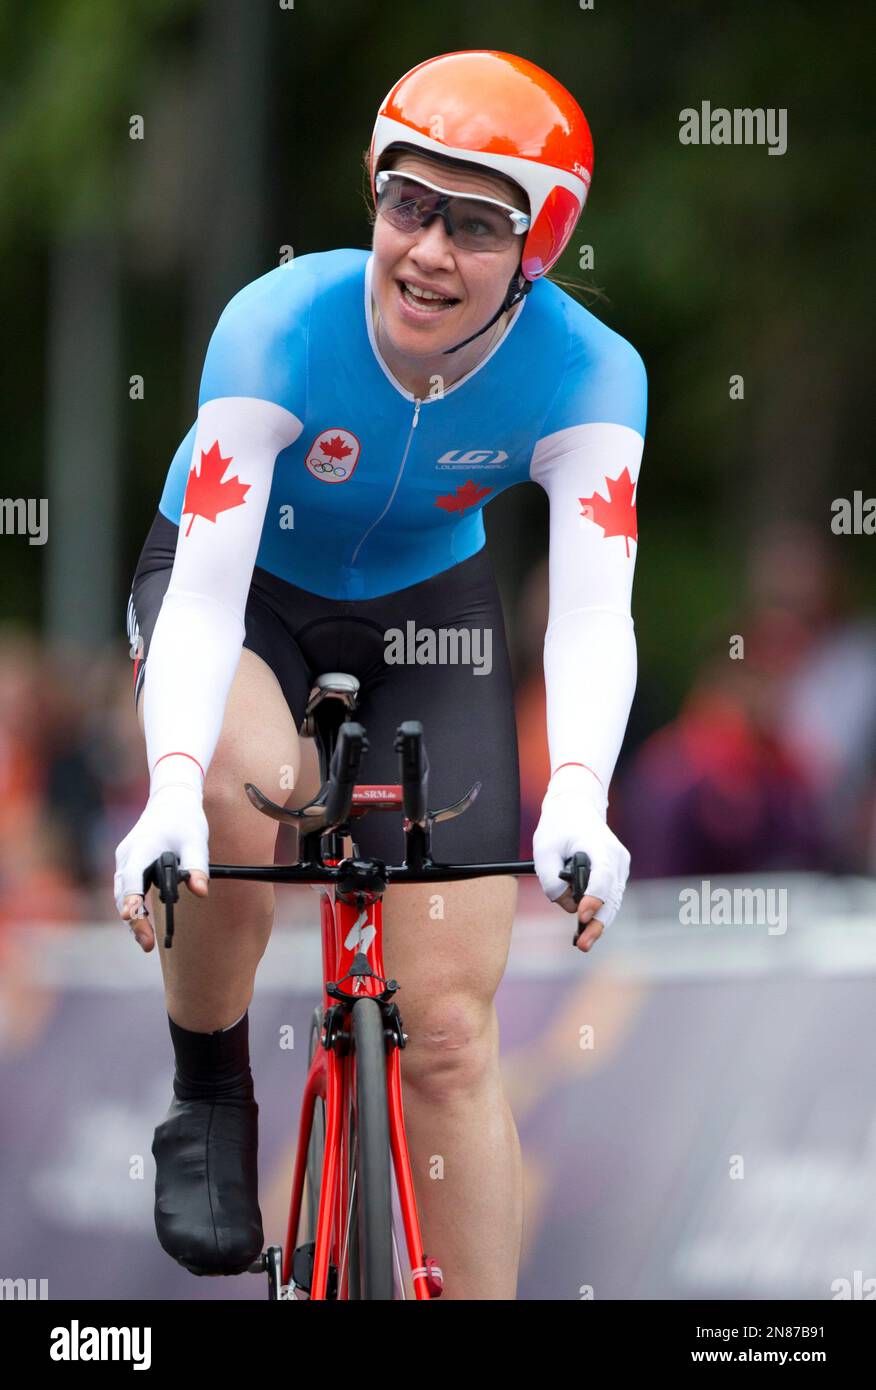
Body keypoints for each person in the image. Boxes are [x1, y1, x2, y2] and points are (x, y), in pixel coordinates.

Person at [114, 50, 647, 1298]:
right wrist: (169, 787)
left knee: (452, 1035)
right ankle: (208, 1086)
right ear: (373, 198)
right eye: (411, 205)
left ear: (541, 247)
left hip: (430, 620)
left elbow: (589, 615)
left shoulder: (592, 374)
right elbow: (199, 592)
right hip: (242, 592)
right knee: (253, 792)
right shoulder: (276, 324)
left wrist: (580, 791)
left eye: (477, 224)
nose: (428, 251)